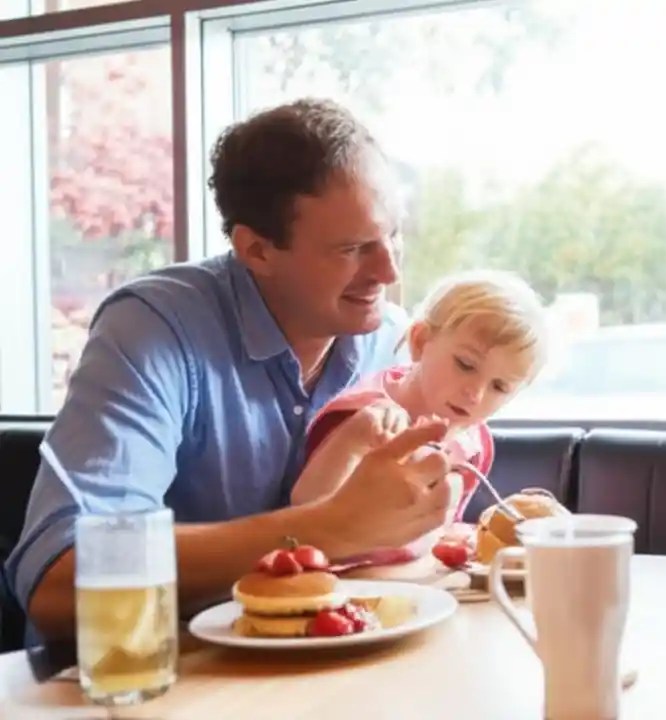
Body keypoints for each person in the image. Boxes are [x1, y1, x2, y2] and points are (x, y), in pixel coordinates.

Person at [6, 98, 458, 641]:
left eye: (393, 236)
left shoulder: (392, 343)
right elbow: (59, 577)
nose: (388, 271)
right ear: (257, 251)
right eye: (353, 248)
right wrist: (327, 528)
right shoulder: (153, 329)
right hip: (138, 677)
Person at [293, 269, 552, 532]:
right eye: (465, 365)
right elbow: (304, 516)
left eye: (499, 386)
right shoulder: (361, 418)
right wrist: (351, 441)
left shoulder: (472, 443)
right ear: (419, 341)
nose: (475, 394)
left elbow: (437, 535)